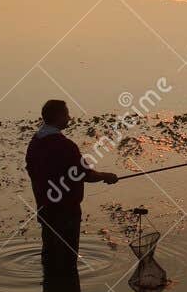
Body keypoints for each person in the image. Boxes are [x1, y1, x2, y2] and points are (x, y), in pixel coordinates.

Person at [25, 99, 119, 276]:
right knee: (67, 260)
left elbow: (33, 172)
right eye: (66, 114)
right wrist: (106, 176)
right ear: (59, 116)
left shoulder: (35, 143)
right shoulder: (65, 146)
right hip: (66, 212)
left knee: (49, 255)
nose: (69, 118)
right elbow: (86, 174)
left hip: (45, 208)